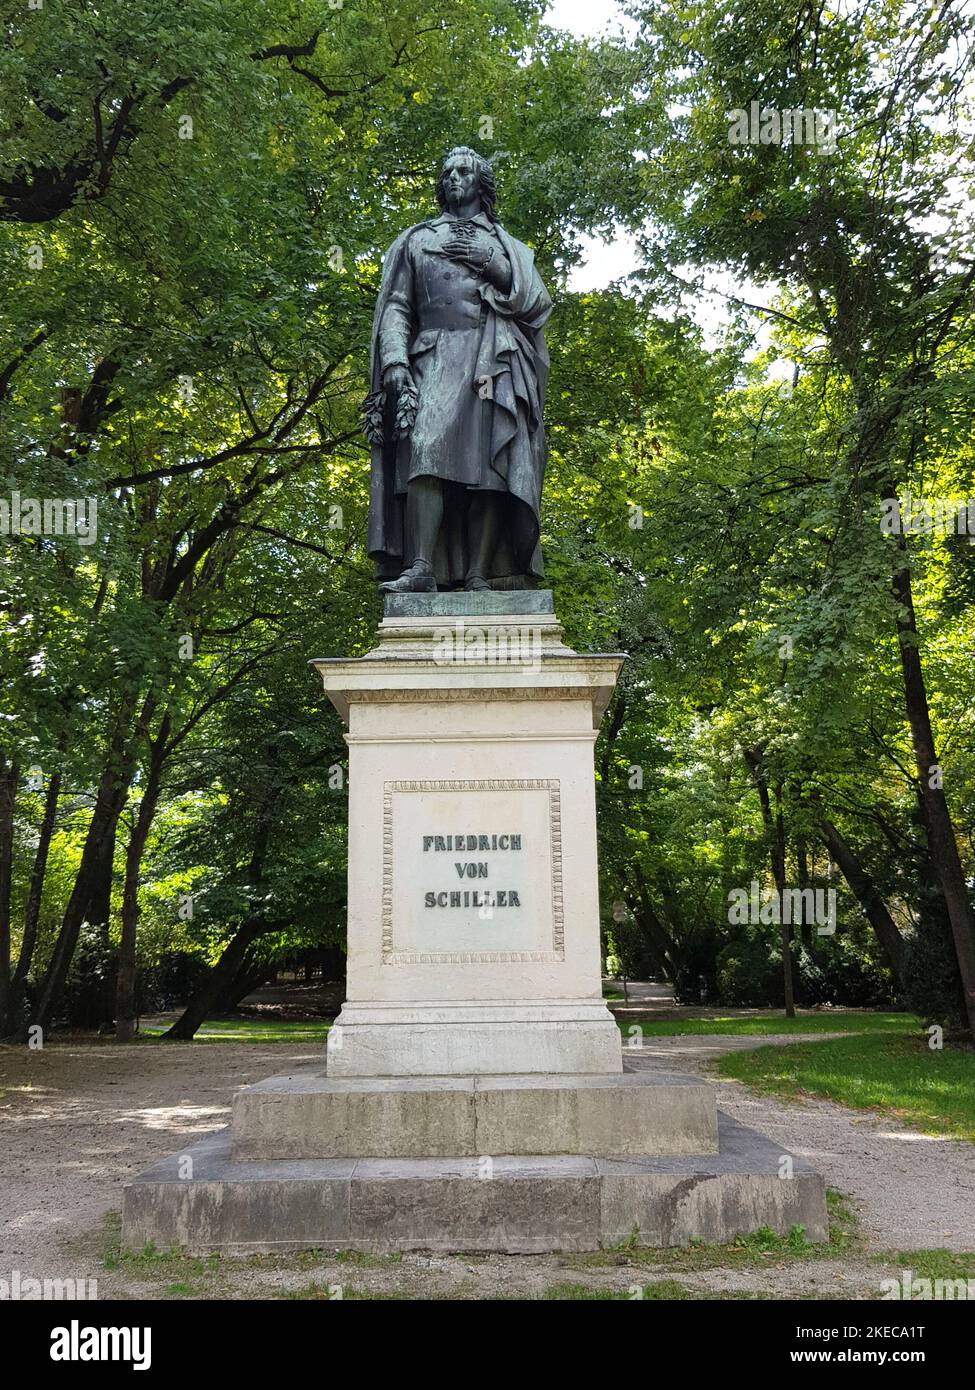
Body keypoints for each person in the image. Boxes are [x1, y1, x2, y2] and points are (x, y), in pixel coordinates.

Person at [363, 147, 552, 592]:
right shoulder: (416, 239)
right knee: (426, 452)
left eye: (463, 171)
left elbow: (535, 303)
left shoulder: (505, 245)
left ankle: (479, 574)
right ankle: (422, 566)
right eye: (447, 172)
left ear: (479, 182)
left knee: (490, 465)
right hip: (434, 356)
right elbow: (397, 306)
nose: (453, 178)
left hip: (493, 357)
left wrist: (489, 260)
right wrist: (394, 360)